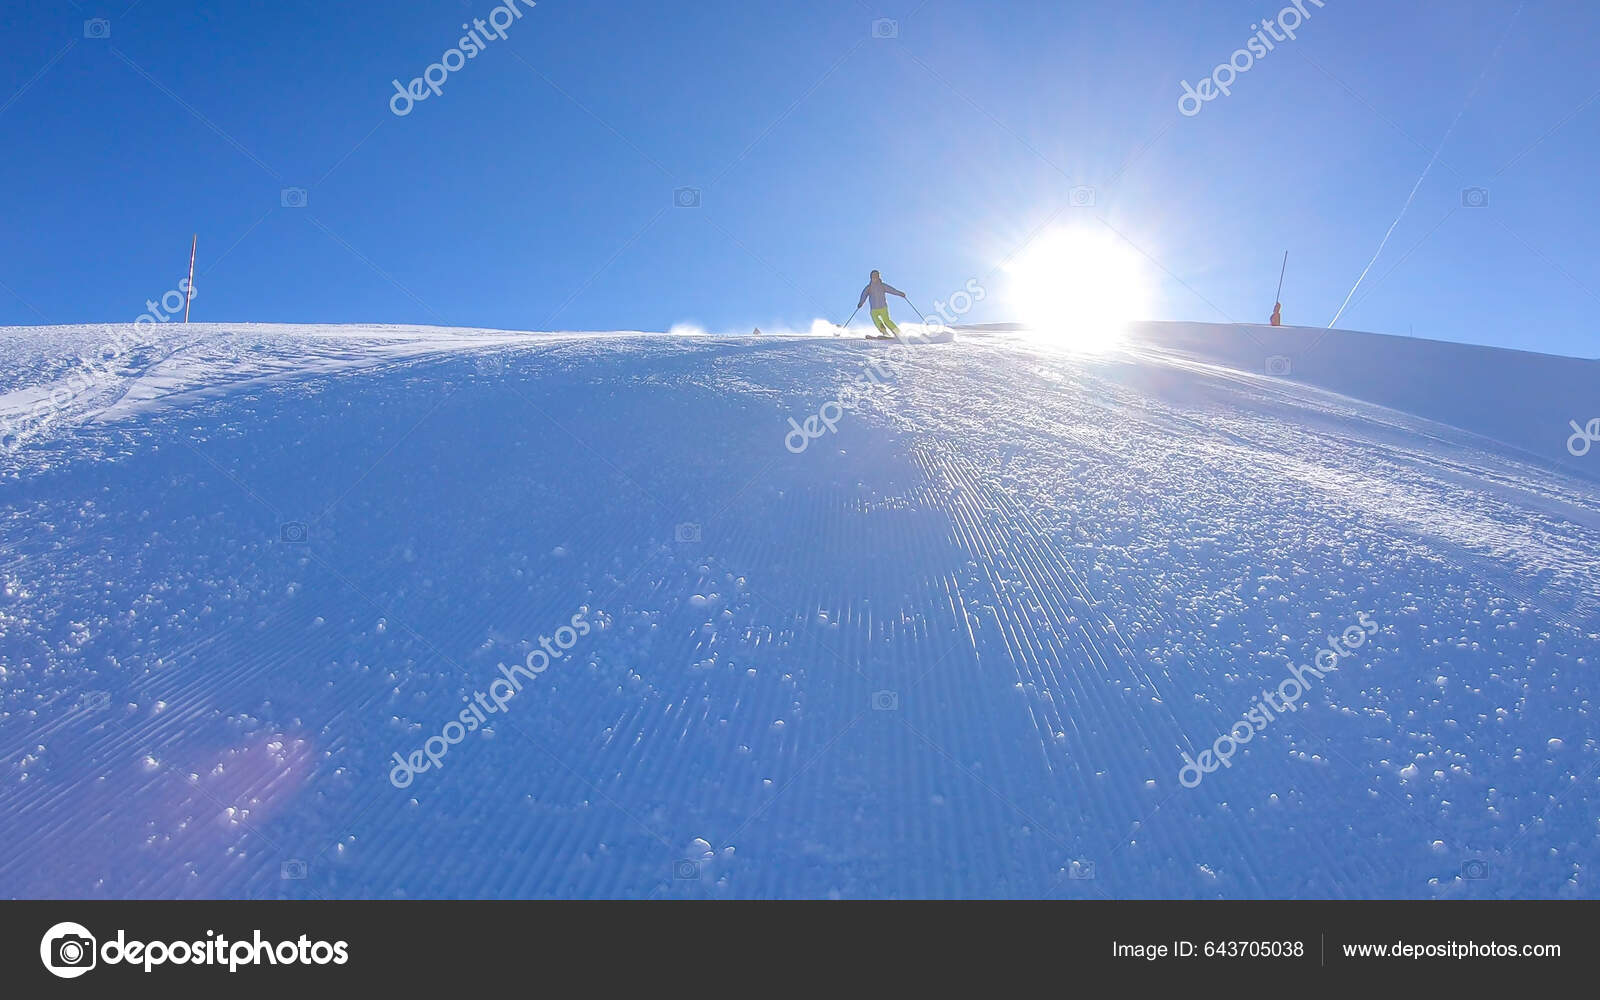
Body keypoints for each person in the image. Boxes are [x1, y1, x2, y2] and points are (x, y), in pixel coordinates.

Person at [857, 270, 907, 338]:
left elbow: (892, 290)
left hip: (883, 307)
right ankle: (884, 332)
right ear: (871, 277)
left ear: (878, 277)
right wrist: (861, 303)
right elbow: (864, 295)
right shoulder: (869, 287)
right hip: (874, 309)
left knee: (886, 320)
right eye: (873, 276)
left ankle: (898, 333)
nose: (874, 277)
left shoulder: (882, 285)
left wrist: (900, 293)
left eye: (876, 276)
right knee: (876, 320)